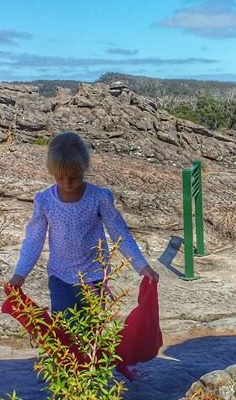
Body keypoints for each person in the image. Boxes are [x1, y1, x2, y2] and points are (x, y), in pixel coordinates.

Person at [8, 132, 158, 317]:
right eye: (60, 177)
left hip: (94, 276)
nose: (67, 183)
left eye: (73, 176)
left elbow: (120, 233)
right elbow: (34, 240)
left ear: (84, 167)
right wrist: (20, 274)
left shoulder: (99, 197)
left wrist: (142, 267)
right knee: (64, 333)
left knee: (91, 334)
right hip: (60, 278)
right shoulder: (45, 200)